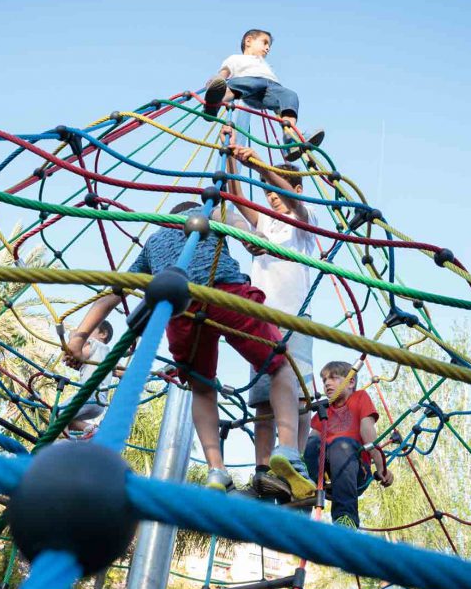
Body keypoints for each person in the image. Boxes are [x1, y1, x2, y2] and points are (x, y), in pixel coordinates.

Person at [63, 200, 300, 493]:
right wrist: (254, 238)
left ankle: (216, 470)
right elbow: (234, 218)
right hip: (225, 293)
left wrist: (78, 336)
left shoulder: (153, 242)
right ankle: (288, 449)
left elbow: (115, 291)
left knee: (202, 388)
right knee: (280, 366)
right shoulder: (206, 211)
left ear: (164, 219)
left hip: (183, 313)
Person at [221, 143, 318, 500]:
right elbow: (240, 201)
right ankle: (264, 471)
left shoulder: (303, 222)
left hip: (295, 317)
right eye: (267, 192)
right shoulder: (266, 223)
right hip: (262, 318)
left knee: (300, 392)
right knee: (263, 400)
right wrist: (231, 156)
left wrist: (262, 166)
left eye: (276, 190)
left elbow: (295, 206)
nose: (272, 197)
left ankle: (295, 459)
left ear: (294, 190)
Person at [280, 361, 393, 526]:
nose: (327, 383)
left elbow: (367, 431)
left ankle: (346, 517)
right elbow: (312, 441)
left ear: (351, 382)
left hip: (356, 469)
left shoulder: (359, 397)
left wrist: (380, 466)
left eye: (333, 378)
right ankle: (302, 506)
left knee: (341, 445)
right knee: (311, 445)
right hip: (326, 475)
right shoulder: (325, 408)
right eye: (325, 380)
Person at [203, 28, 324, 162]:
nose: (268, 48)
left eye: (269, 46)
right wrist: (216, 81)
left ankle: (290, 140)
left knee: (290, 96)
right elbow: (224, 73)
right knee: (246, 84)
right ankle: (214, 102)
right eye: (264, 43)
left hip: (271, 88)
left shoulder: (265, 64)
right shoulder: (235, 58)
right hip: (248, 84)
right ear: (248, 41)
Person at [65, 320, 115, 437]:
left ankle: (64, 444)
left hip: (89, 394)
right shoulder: (109, 355)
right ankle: (92, 430)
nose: (85, 335)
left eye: (89, 331)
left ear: (103, 334)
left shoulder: (94, 343)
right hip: (99, 402)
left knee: (56, 412)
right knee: (69, 422)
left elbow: (78, 352)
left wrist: (74, 336)